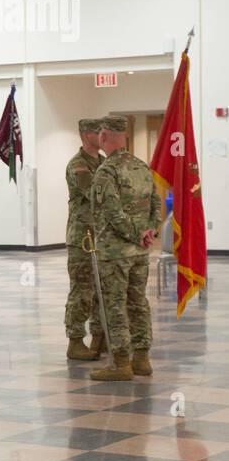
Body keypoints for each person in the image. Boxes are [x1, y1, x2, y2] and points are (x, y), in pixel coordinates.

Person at [88, 116, 161, 381]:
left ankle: (121, 363)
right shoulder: (141, 166)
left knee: (114, 305)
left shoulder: (107, 171)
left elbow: (112, 213)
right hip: (140, 252)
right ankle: (142, 359)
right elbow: (156, 203)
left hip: (115, 252)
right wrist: (148, 233)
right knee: (138, 302)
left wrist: (133, 235)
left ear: (104, 136)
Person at [65, 118, 105, 360]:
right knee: (81, 290)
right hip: (82, 236)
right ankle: (76, 340)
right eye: (97, 131)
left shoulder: (103, 162)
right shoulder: (78, 165)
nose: (101, 135)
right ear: (85, 135)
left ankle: (100, 337)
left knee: (101, 290)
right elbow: (93, 194)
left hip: (101, 236)